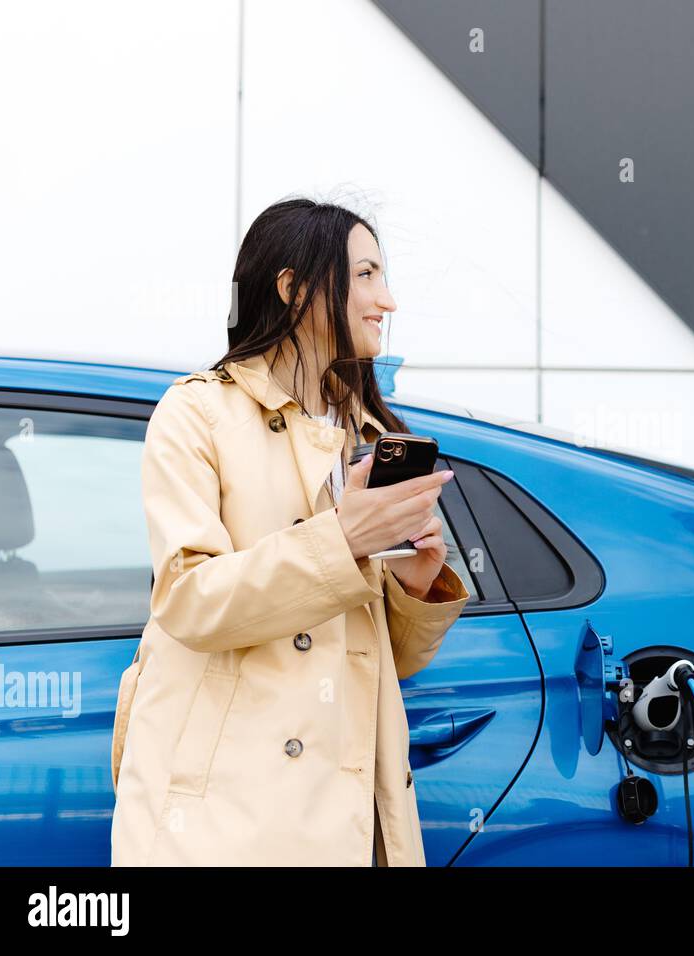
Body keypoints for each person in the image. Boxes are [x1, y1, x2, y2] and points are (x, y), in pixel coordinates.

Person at [110, 198, 470, 866]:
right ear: (293, 288)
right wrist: (343, 541)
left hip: (350, 820)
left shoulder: (369, 437)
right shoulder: (196, 414)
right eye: (364, 275)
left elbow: (371, 662)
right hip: (225, 827)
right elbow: (190, 600)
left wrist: (416, 591)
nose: (385, 300)